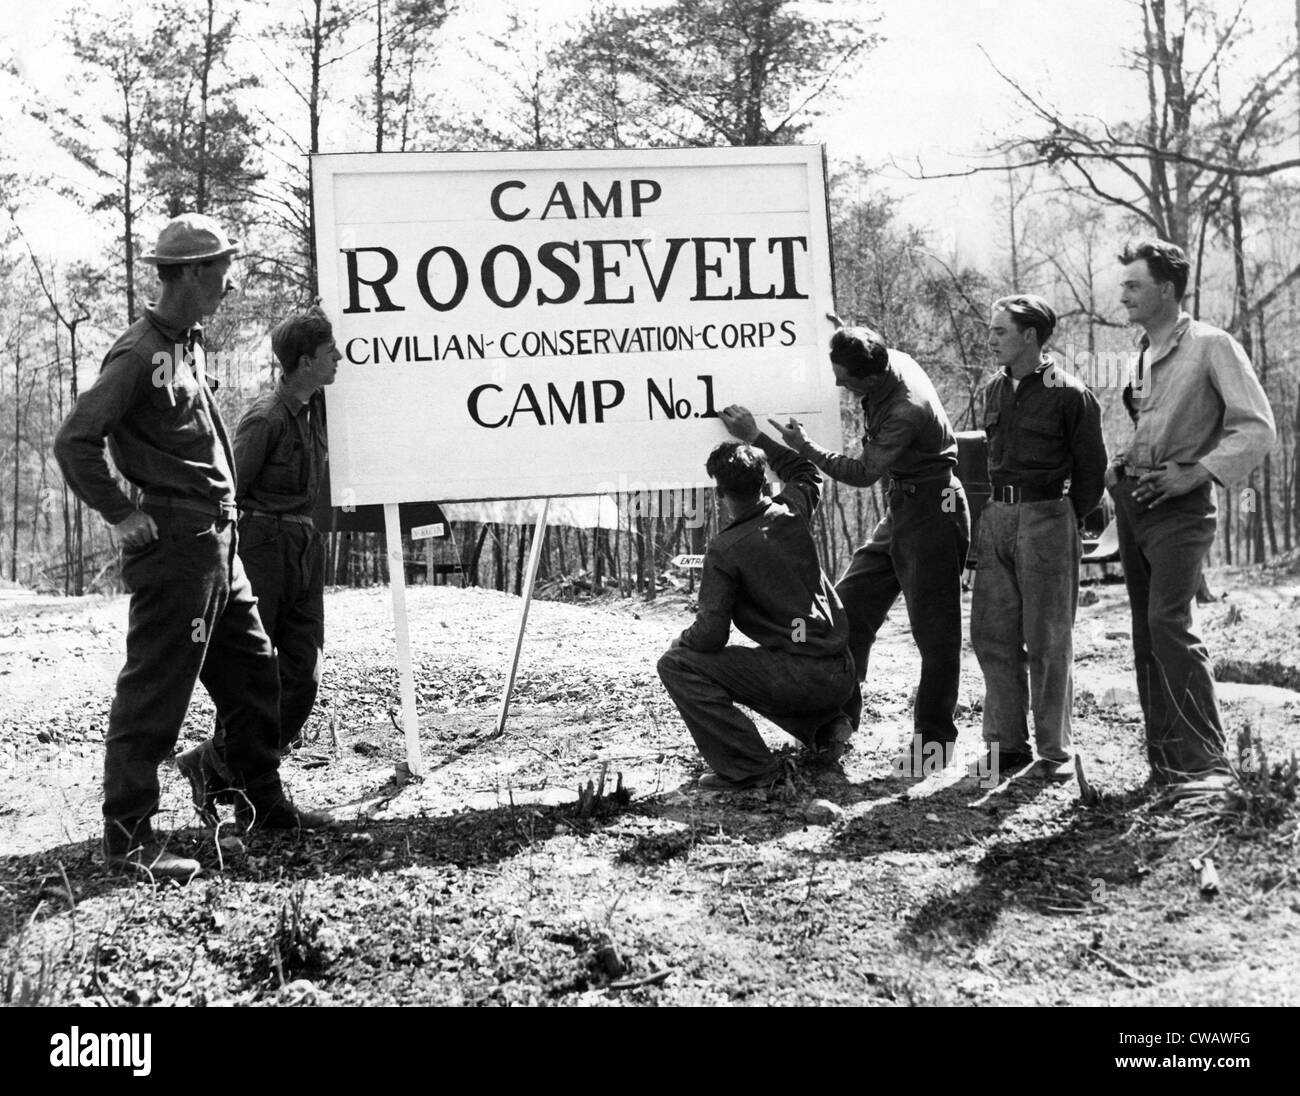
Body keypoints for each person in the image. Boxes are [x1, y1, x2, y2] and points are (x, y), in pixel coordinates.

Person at [54, 213, 331, 880]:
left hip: (217, 543)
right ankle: (129, 836)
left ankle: (258, 802)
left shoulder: (185, 345)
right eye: (222, 271)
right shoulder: (140, 352)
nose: (228, 284)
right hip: (178, 544)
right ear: (193, 273)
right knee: (156, 690)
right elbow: (76, 440)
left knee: (256, 672)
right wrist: (121, 513)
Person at [768, 323, 970, 777]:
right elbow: (859, 337)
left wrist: (803, 447)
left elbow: (862, 473)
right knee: (849, 611)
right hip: (904, 507)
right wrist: (833, 323)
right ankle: (838, 723)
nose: (838, 384)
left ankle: (934, 743)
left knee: (936, 636)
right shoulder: (884, 355)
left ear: (872, 379)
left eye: (846, 379)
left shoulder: (904, 409)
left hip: (934, 511)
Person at [1111, 239, 1275, 791]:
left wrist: (1197, 472)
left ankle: (1207, 764)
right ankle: (1166, 764)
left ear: (1166, 289)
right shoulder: (1139, 352)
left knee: (1169, 623)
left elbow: (1256, 427)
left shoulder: (1212, 345)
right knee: (1144, 631)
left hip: (1182, 508)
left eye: (1134, 285)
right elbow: (1149, 429)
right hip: (1136, 504)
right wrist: (1120, 467)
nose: (1124, 294)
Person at [177, 310, 340, 822]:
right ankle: (254, 790)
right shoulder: (266, 416)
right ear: (306, 361)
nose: (339, 357)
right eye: (330, 350)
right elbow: (228, 493)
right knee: (257, 672)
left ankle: (215, 762)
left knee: (303, 674)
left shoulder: (318, 410)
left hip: (304, 545)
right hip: (263, 544)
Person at [656, 406, 855, 790]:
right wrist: (756, 436)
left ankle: (749, 767)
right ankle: (826, 727)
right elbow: (807, 471)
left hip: (800, 677)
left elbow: (711, 636)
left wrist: (684, 639)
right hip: (840, 673)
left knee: (677, 664)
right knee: (777, 659)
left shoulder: (725, 549)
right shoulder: (792, 511)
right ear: (764, 483)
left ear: (720, 493)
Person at [971, 295, 1106, 781]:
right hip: (997, 517)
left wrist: (1063, 517)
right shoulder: (993, 390)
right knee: (991, 633)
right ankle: (1007, 743)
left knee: (1047, 637)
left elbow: (1093, 472)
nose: (991, 339)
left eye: (1000, 331)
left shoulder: (1070, 393)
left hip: (1048, 515)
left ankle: (1053, 749)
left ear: (1030, 336)